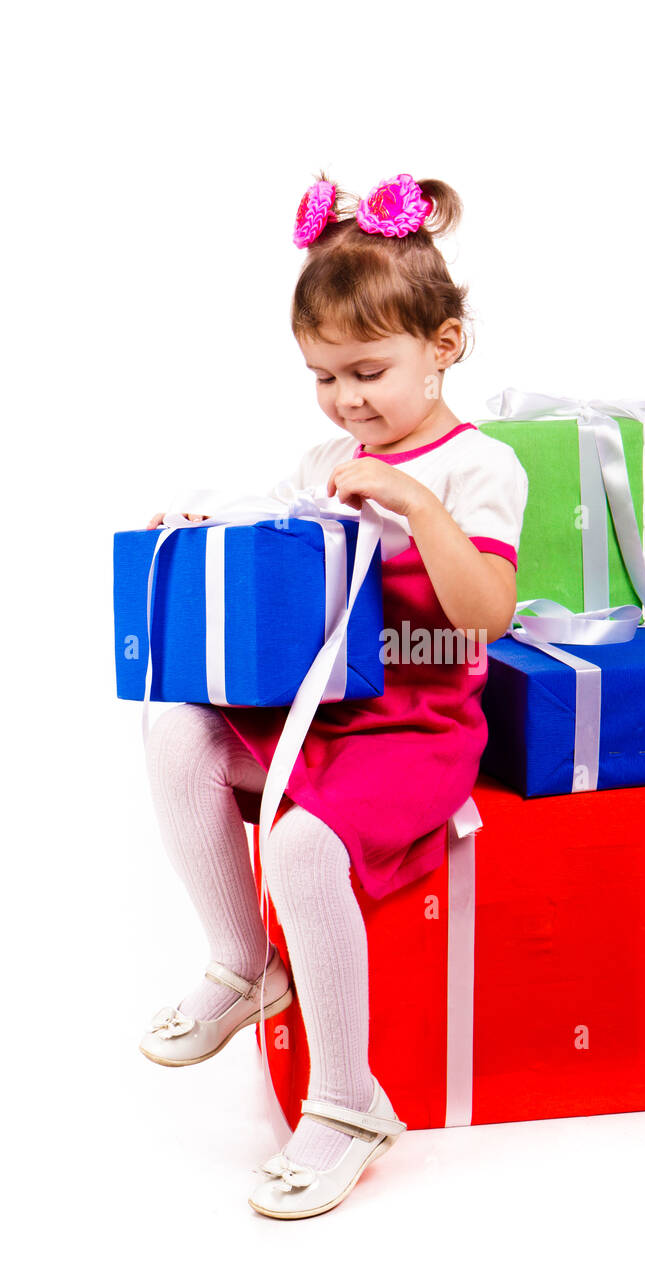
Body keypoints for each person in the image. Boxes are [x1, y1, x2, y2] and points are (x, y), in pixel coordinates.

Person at [139, 172, 529, 1219]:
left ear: (443, 345)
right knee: (173, 721)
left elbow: (484, 611)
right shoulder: (327, 455)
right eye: (322, 376)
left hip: (418, 723)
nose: (347, 400)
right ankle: (242, 958)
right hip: (330, 703)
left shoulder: (480, 465)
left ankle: (351, 1105)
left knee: (308, 844)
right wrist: (224, 529)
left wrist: (411, 498)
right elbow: (300, 584)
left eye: (367, 371)